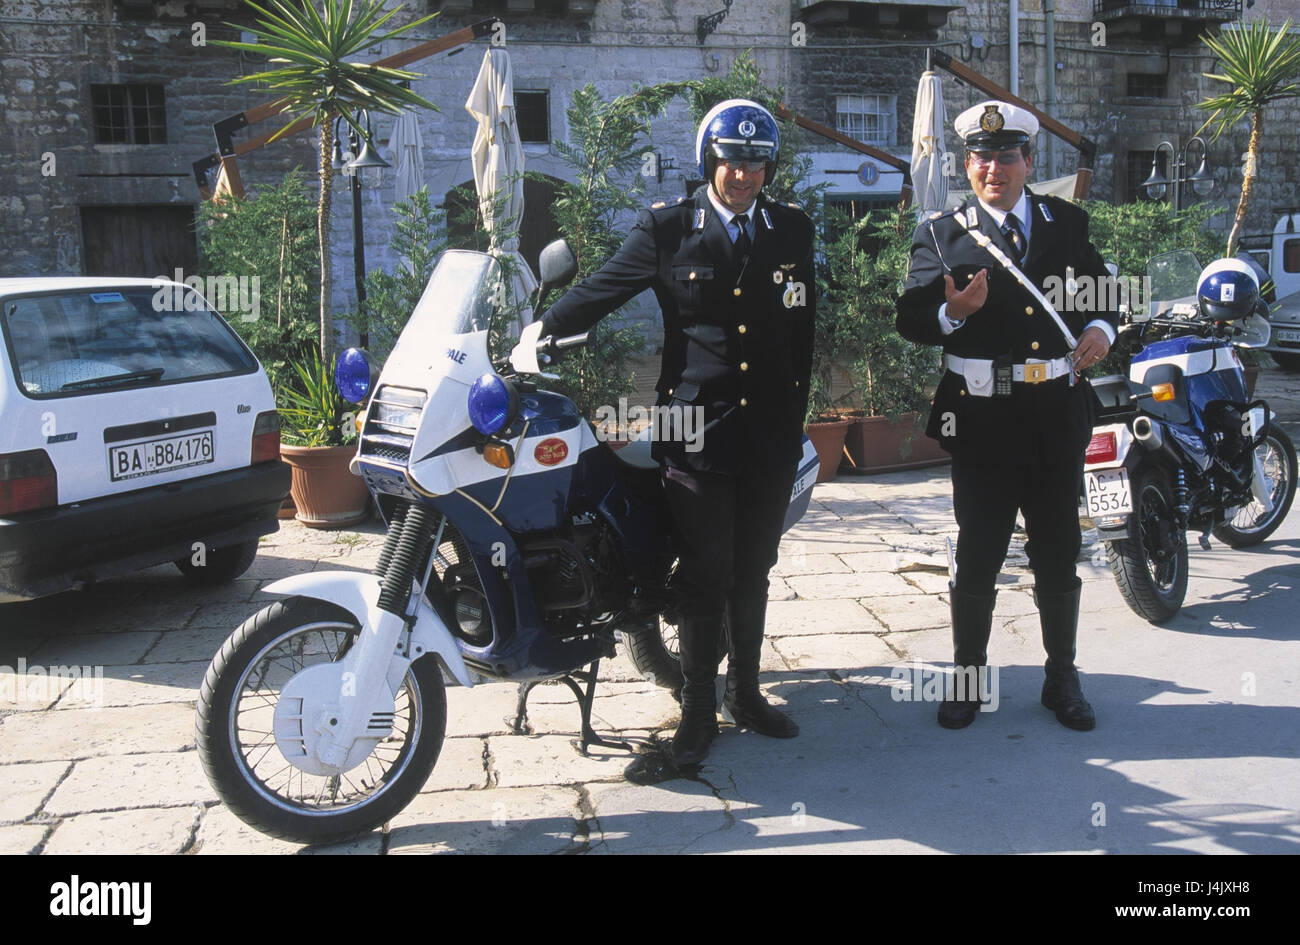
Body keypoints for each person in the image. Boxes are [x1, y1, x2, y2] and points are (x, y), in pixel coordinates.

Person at [518, 99, 815, 764]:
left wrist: (794, 417)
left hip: (768, 433)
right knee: (705, 574)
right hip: (698, 430)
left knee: (754, 571)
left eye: (756, 161)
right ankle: (700, 713)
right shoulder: (670, 228)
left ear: (768, 166)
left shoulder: (791, 231)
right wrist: (542, 331)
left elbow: (804, 333)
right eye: (732, 160)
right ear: (711, 158)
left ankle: (747, 692)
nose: (742, 174)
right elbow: (601, 288)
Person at [895, 100, 1118, 732]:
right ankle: (969, 679)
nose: (995, 168)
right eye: (982, 158)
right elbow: (910, 316)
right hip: (984, 421)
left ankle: (1062, 679)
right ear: (967, 165)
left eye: (1007, 156)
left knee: (1057, 551)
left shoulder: (1063, 223)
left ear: (1027, 162)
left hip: (1054, 414)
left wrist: (1100, 330)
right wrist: (953, 313)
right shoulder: (942, 232)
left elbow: (1102, 295)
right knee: (979, 553)